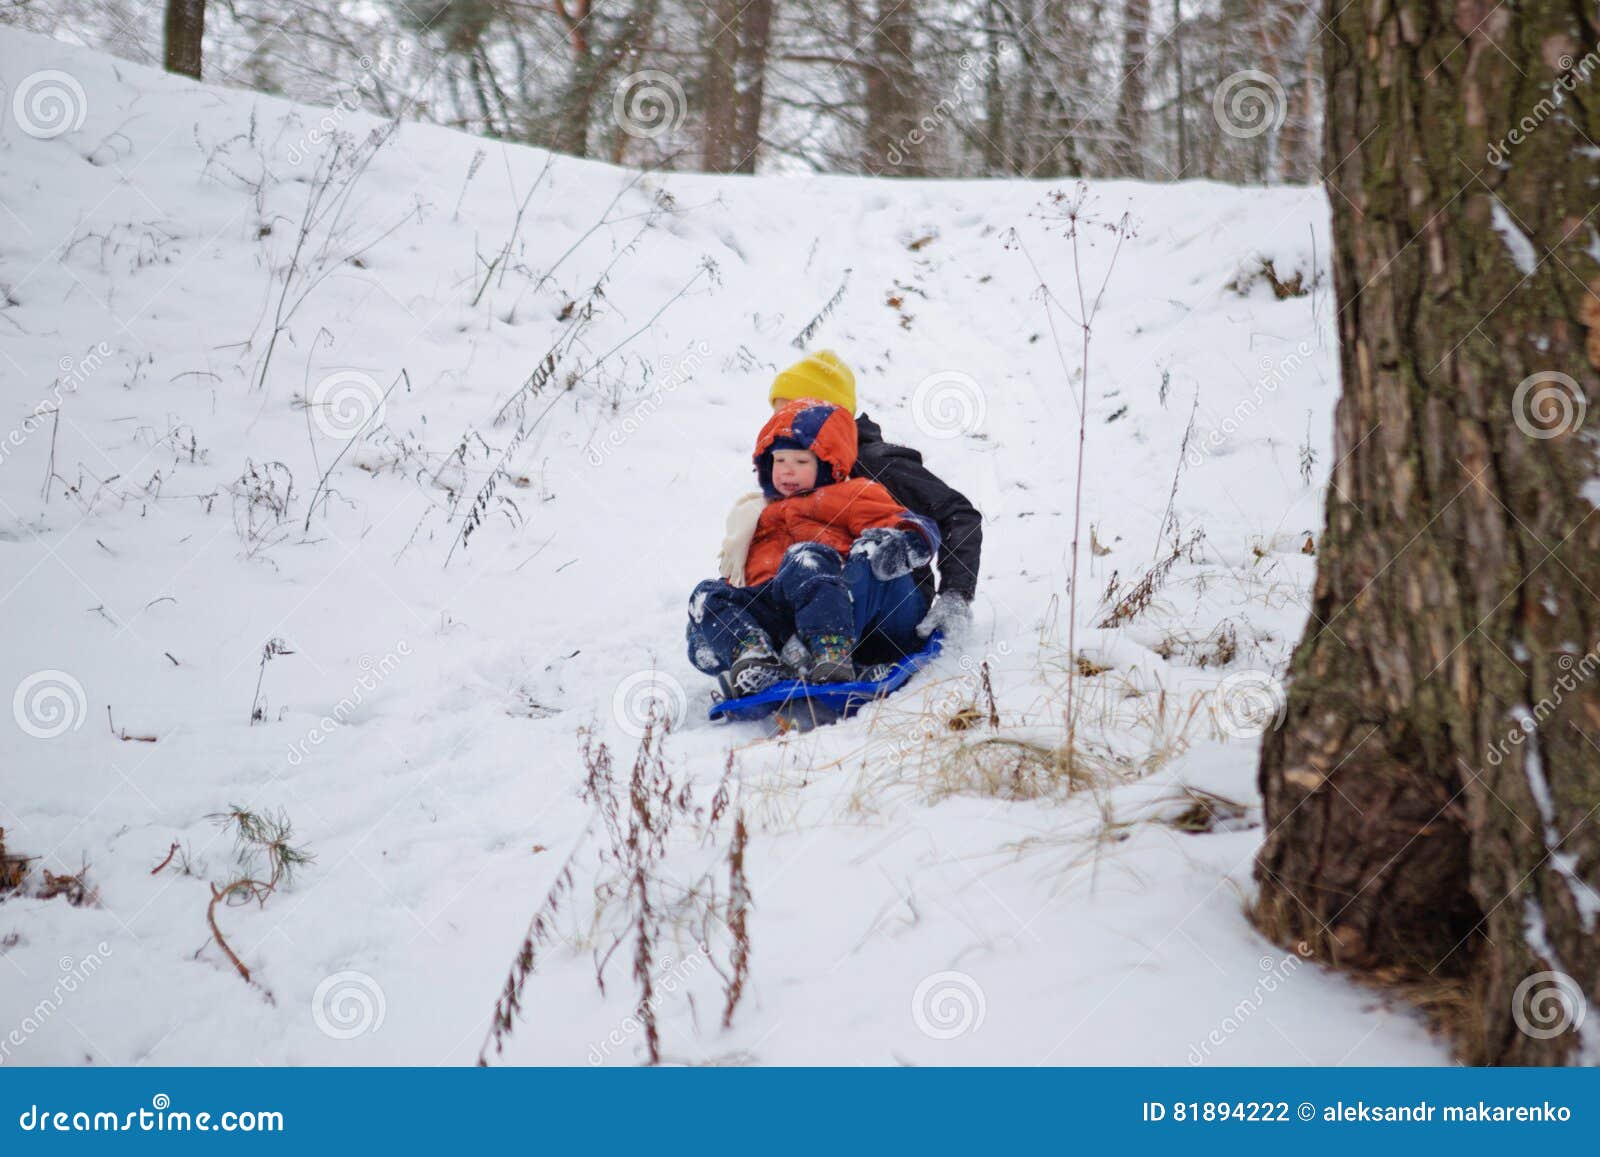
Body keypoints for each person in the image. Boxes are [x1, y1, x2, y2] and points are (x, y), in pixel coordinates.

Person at [687, 398, 941, 697]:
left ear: (827, 464)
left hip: (857, 608)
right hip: (791, 612)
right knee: (707, 595)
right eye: (779, 461)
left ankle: (832, 653)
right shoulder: (759, 513)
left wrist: (907, 541)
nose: (787, 471)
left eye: (801, 461)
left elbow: (907, 523)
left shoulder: (850, 493)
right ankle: (754, 656)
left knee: (806, 558)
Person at [739, 350, 983, 641]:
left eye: (792, 412)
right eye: (777, 416)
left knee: (868, 550)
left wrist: (956, 594)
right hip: (818, 606)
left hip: (891, 610)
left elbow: (957, 514)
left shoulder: (876, 463)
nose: (780, 426)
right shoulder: (791, 475)